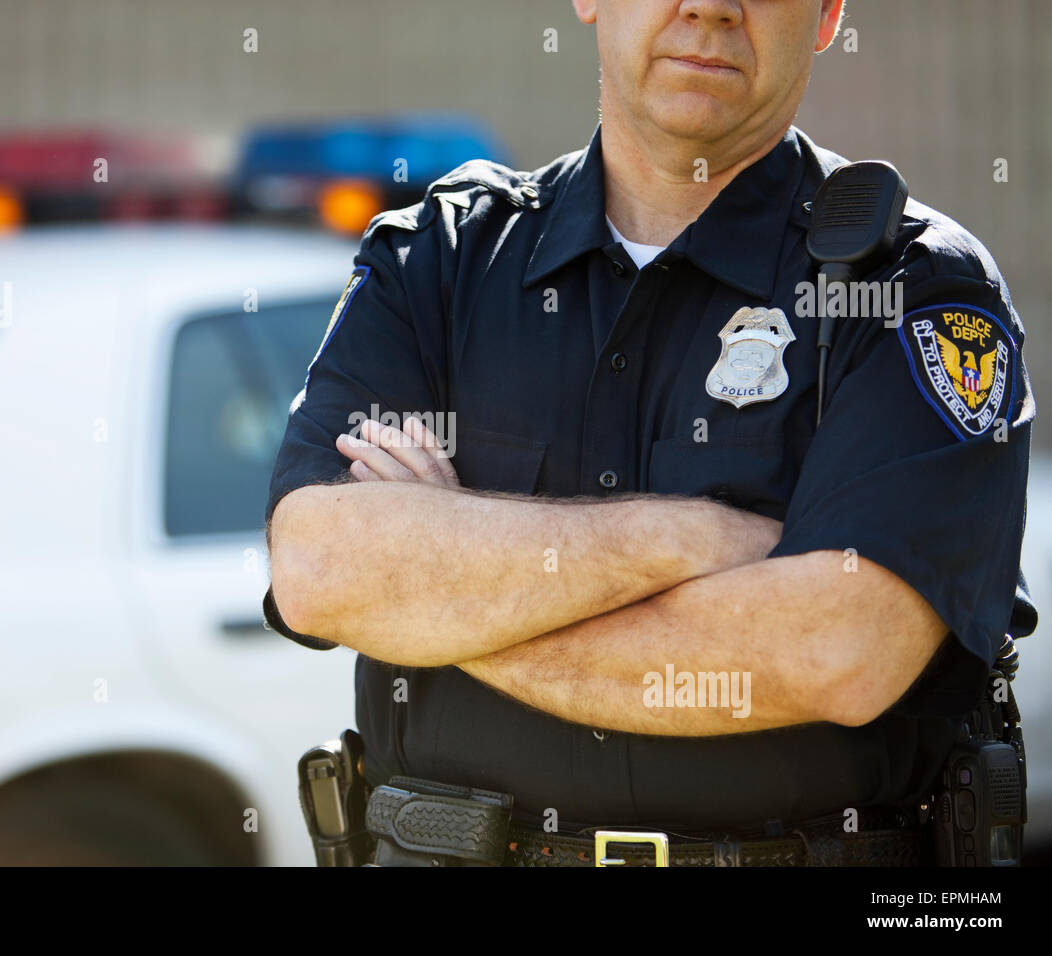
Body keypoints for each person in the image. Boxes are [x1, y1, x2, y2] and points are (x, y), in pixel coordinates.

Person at [263, 0, 1036, 866]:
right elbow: (322, 571)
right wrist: (687, 537)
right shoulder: (439, 263)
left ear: (826, 14)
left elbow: (837, 652)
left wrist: (444, 604)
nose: (710, 6)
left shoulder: (910, 291)